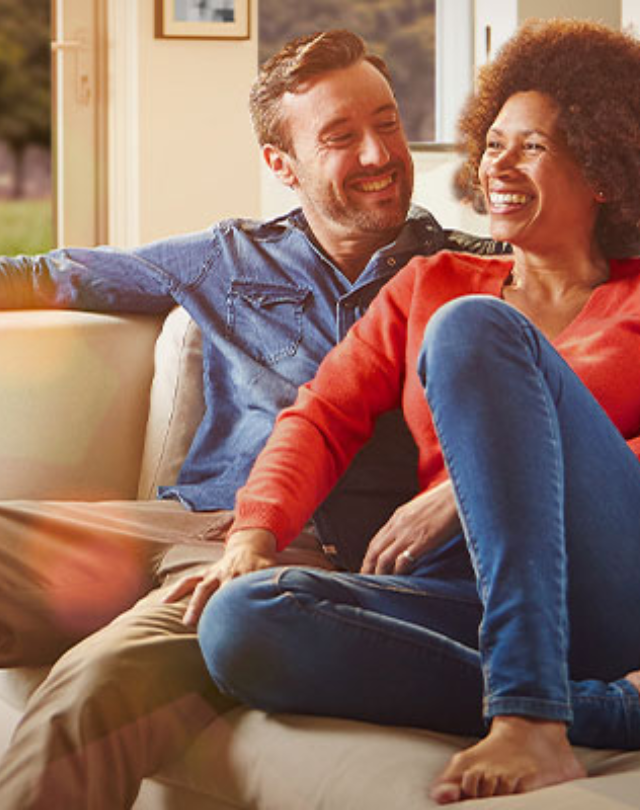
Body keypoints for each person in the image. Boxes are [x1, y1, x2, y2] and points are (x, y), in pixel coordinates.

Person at [0, 30, 503, 809]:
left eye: (388, 122)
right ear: (282, 164)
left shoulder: (477, 275)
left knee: (94, 688)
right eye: (340, 136)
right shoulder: (228, 256)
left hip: (302, 561)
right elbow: (51, 277)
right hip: (184, 522)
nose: (379, 153)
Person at [194, 18, 640, 805]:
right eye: (492, 144)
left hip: (606, 580)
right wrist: (251, 537)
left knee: (472, 331)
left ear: (602, 168)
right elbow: (320, 417)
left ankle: (531, 717)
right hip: (467, 593)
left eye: (532, 146)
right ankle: (599, 708)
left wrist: (467, 489)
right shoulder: (432, 281)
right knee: (243, 621)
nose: (498, 165)